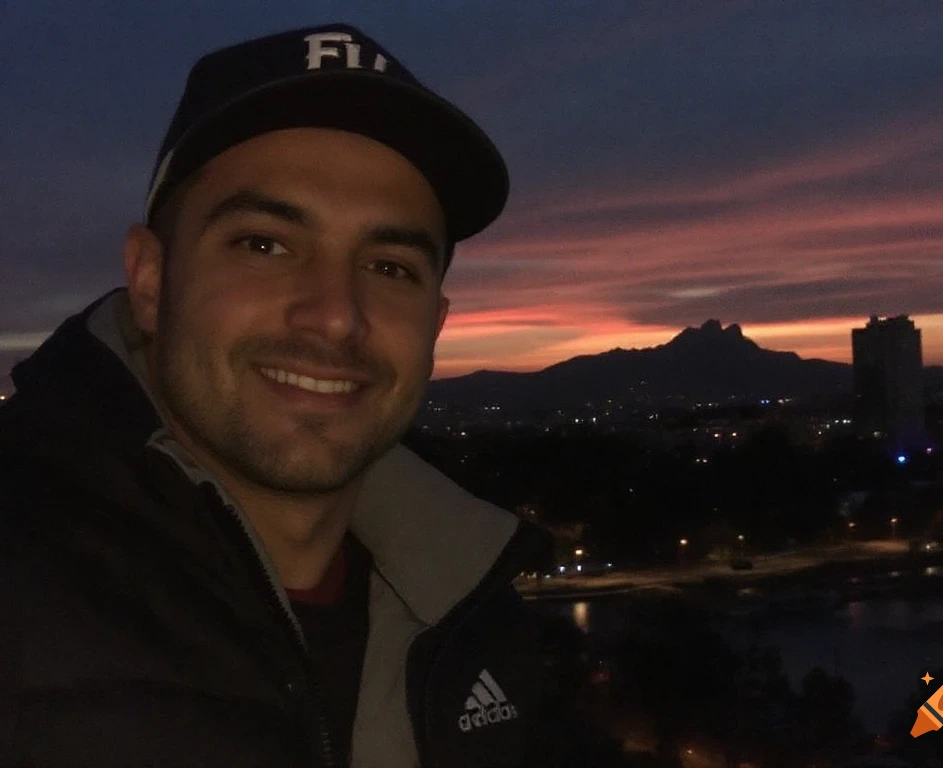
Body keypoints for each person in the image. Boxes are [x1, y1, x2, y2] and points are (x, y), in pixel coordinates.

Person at [0, 23, 575, 767]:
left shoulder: (471, 622)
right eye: (264, 245)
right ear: (150, 281)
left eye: (391, 266)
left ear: (434, 323)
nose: (336, 314)